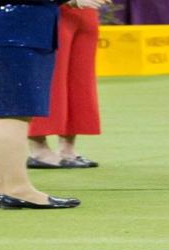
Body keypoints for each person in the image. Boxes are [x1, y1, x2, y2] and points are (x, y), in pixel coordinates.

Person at [0, 0, 109, 210]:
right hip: (12, 31)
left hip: (2, 29)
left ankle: (3, 188)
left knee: (8, 113)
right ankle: (17, 188)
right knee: (15, 113)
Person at [27, 2, 101, 169]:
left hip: (86, 12)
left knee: (81, 83)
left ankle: (67, 149)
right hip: (53, 10)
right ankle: (38, 148)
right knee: (50, 79)